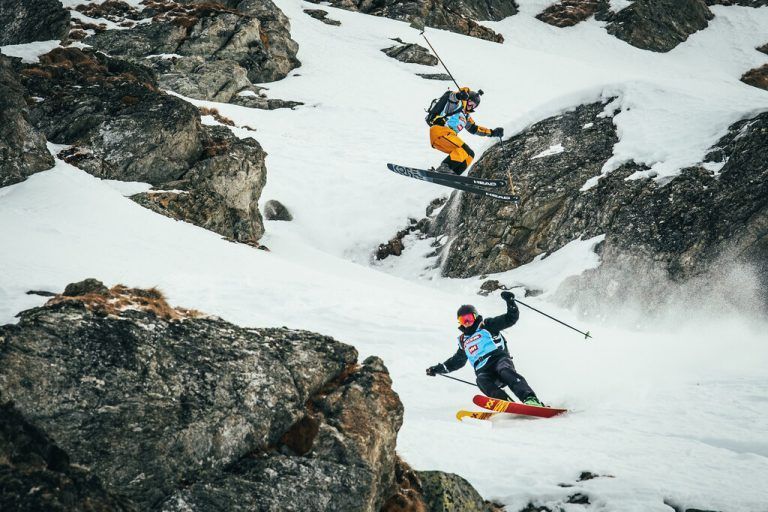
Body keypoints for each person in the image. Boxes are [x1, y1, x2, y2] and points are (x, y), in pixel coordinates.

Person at [425, 291, 544, 406]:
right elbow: (456, 362)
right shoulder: (463, 341)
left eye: (469, 318)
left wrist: (510, 302)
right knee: (481, 380)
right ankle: (505, 403)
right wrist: (437, 369)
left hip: (498, 359)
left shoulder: (487, 325)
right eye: (463, 320)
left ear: (475, 316)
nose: (466, 322)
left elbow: (509, 319)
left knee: (504, 370)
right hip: (482, 369)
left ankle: (530, 398)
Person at [427, 87, 504, 175]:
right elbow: (452, 97)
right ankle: (444, 167)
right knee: (464, 149)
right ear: (467, 99)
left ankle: (454, 174)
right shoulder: (456, 105)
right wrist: (460, 95)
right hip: (440, 131)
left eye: (474, 105)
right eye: (470, 102)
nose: (471, 106)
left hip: (448, 138)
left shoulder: (466, 117)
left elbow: (475, 129)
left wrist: (492, 132)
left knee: (470, 154)